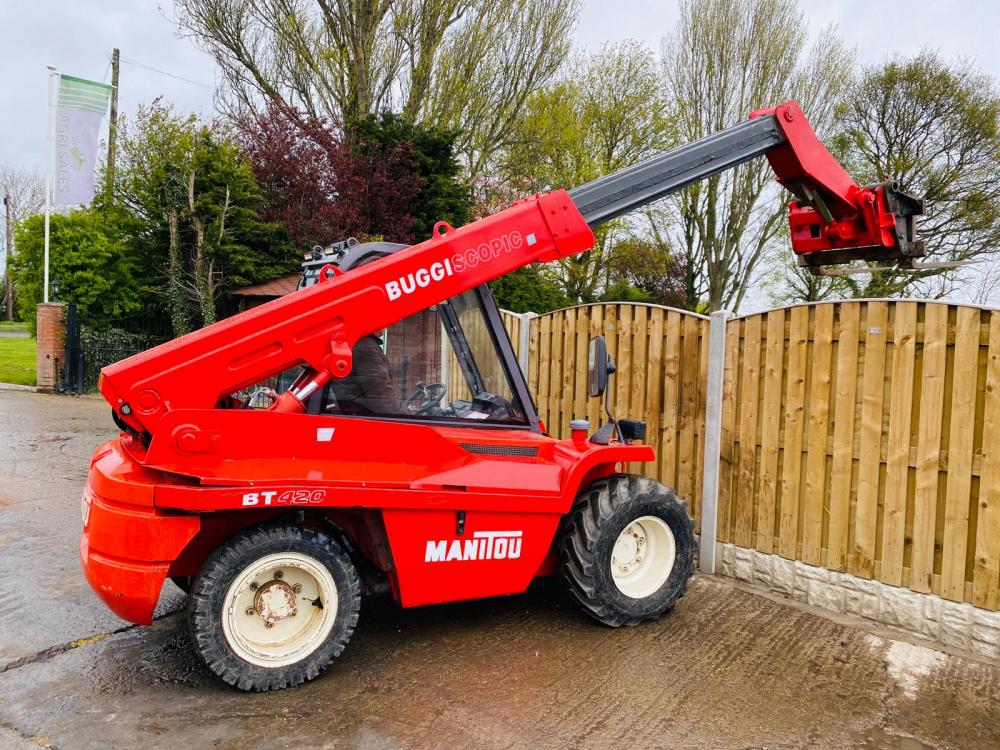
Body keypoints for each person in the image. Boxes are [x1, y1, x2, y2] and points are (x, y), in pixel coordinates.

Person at [328, 330, 402, 415]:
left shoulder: (357, 342)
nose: (386, 327)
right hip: (360, 416)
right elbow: (381, 397)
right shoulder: (365, 346)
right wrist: (408, 418)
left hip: (352, 411)